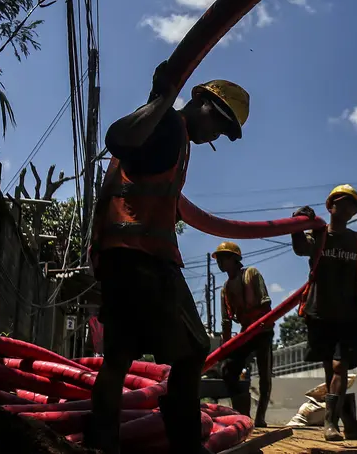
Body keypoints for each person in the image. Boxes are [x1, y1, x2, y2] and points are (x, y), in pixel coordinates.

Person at [84, 62, 249, 454]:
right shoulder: (167, 125)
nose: (215, 135)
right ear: (203, 103)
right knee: (192, 351)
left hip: (119, 259)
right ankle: (185, 446)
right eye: (219, 125)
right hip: (145, 260)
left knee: (119, 356)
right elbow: (119, 138)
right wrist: (161, 98)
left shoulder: (172, 135)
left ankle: (100, 444)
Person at [291, 185, 357, 442]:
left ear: (355, 211)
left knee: (339, 367)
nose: (346, 208)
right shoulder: (319, 236)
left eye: (351, 205)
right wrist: (297, 222)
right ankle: (351, 424)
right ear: (330, 206)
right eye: (341, 203)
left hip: (348, 315)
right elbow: (301, 248)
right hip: (320, 313)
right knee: (331, 371)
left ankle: (330, 423)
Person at [213, 241, 274, 427]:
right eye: (219, 259)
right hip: (245, 333)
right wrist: (225, 351)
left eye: (223, 259)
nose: (220, 263)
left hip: (262, 330)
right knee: (228, 370)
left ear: (234, 259)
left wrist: (261, 325)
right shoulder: (225, 289)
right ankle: (243, 415)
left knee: (265, 374)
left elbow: (266, 304)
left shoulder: (251, 274)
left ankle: (260, 417)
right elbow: (226, 323)